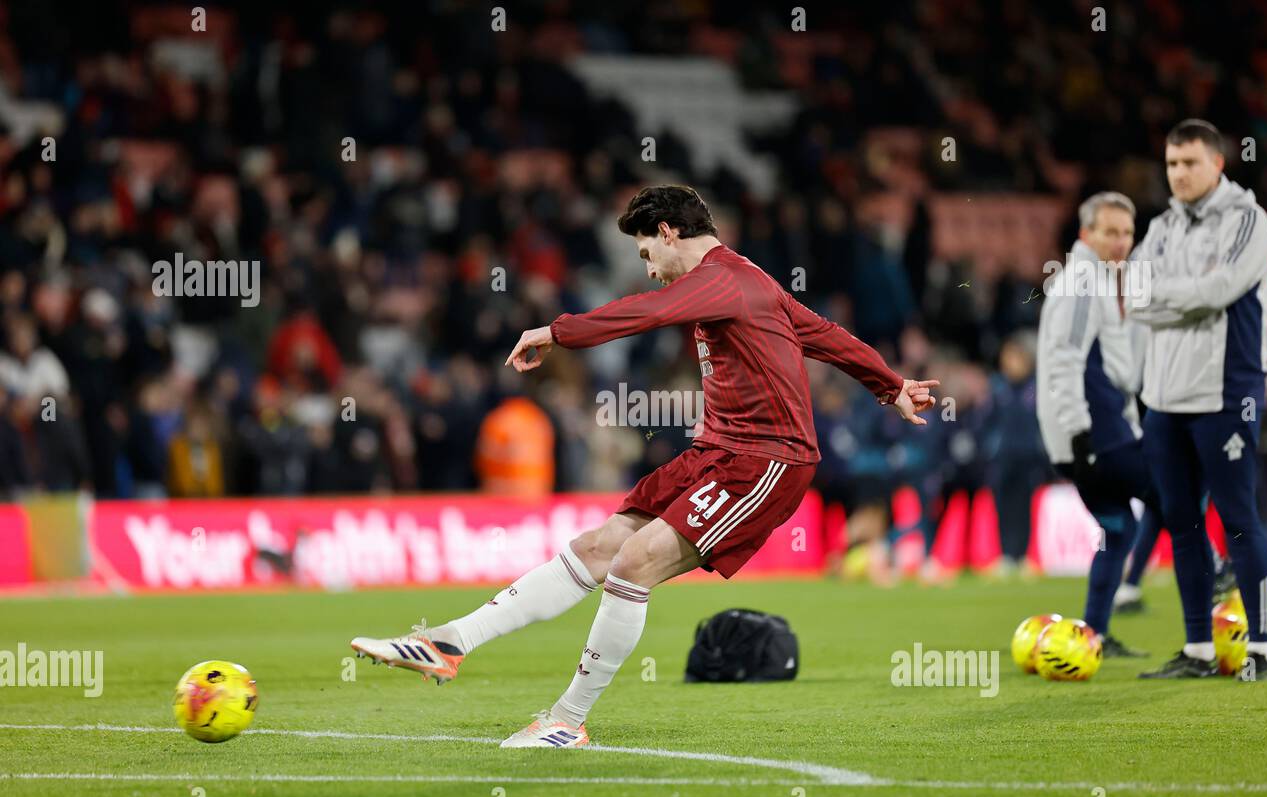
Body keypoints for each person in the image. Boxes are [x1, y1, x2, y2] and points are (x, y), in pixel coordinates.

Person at [350, 185, 938, 746]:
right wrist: (892, 386)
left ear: (668, 231)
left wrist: (559, 332)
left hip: (768, 459)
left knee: (633, 563)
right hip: (717, 451)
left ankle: (566, 721)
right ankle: (451, 642)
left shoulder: (724, 280)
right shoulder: (747, 280)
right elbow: (827, 336)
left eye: (647, 252)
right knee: (596, 548)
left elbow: (651, 311)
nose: (649, 267)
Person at [1128, 120, 1267, 680]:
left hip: (1225, 390)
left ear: (1218, 163)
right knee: (1181, 522)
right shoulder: (1162, 227)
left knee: (1239, 519)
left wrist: (1169, 296)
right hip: (1164, 396)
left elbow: (1223, 290)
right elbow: (1135, 300)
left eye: (1189, 163)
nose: (1179, 174)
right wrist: (1187, 299)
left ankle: (1260, 650)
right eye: (1171, 164)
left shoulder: (1248, 220)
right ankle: (1197, 649)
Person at [1036, 191, 1147, 658]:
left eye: (1126, 232)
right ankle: (1211, 614)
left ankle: (1094, 635)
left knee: (1118, 528)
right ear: (1086, 234)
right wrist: (1080, 433)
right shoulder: (1083, 281)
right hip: (1094, 435)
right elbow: (1066, 361)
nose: (1120, 242)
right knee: (1179, 492)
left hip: (1087, 434)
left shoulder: (1094, 280)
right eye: (1110, 232)